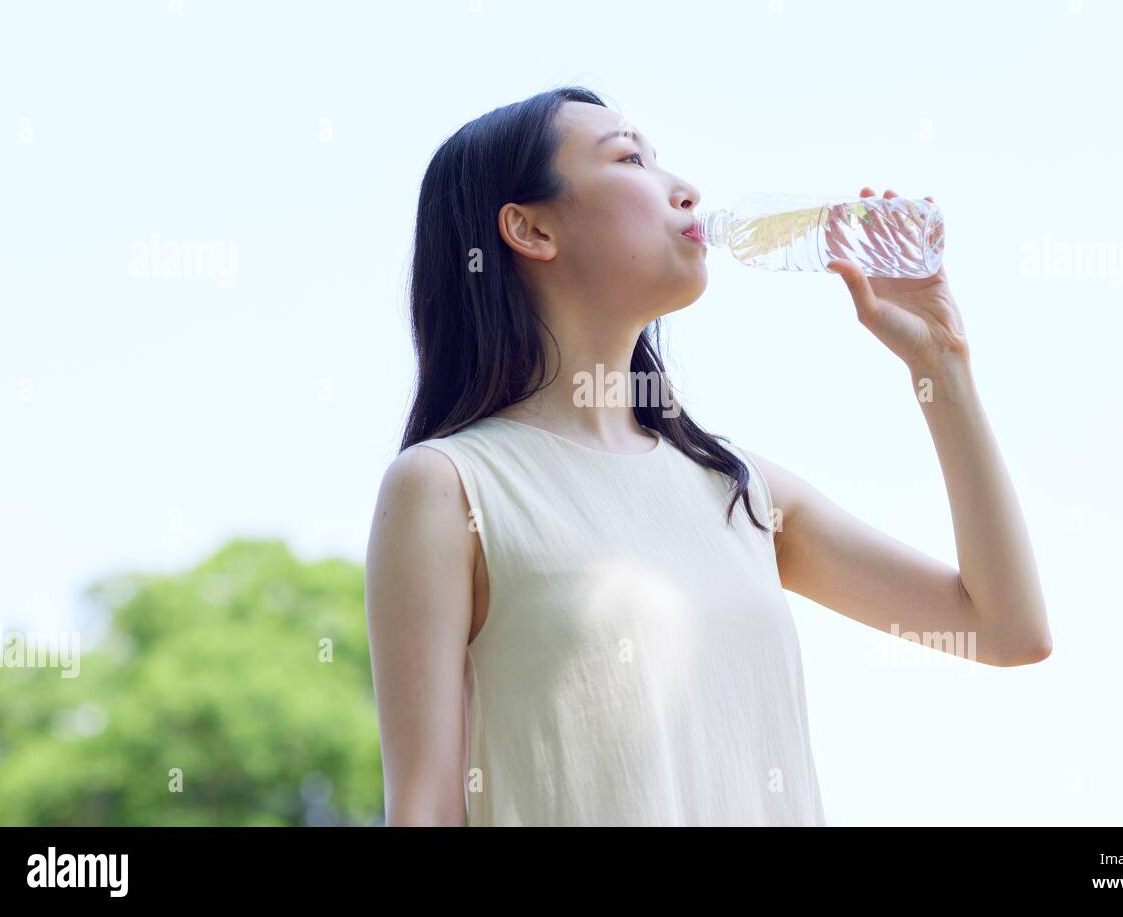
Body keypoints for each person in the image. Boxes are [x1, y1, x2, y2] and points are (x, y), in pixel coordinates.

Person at [364, 86, 1052, 827]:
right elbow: (426, 809)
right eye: (630, 158)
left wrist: (942, 368)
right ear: (529, 228)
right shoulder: (449, 489)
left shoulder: (743, 490)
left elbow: (1004, 627)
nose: (685, 188)